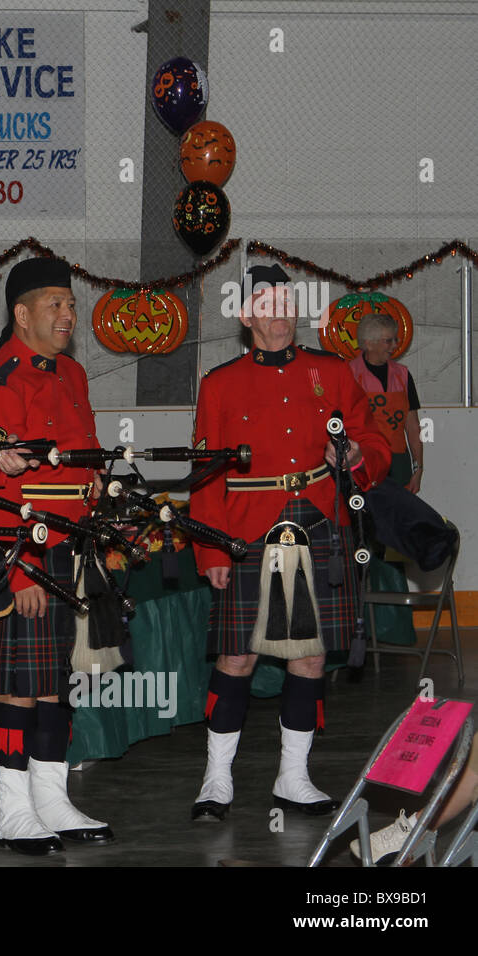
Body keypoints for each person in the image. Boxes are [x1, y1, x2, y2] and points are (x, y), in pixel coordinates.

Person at [189, 264, 390, 821]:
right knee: (237, 656)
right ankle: (216, 778)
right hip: (248, 528)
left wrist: (356, 456)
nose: (279, 314)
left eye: (286, 303)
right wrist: (210, 549)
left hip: (317, 521)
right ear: (247, 315)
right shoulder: (219, 384)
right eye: (267, 305)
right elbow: (206, 474)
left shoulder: (332, 372)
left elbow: (374, 440)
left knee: (310, 656)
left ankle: (294, 776)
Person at [0, 257, 114, 853]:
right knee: (18, 683)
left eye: (71, 303)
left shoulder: (71, 375)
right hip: (28, 551)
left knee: (53, 680)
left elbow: (84, 448)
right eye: (54, 303)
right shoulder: (1, 383)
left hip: (70, 548)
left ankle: (51, 797)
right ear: (20, 314)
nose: (67, 313)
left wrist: (93, 479)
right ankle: (13, 807)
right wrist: (19, 565)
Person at [347, 312, 423, 493]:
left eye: (394, 340)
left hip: (399, 463)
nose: (395, 346)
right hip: (364, 462)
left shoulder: (403, 375)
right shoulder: (348, 374)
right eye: (388, 341)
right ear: (368, 343)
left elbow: (413, 427)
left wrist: (418, 468)